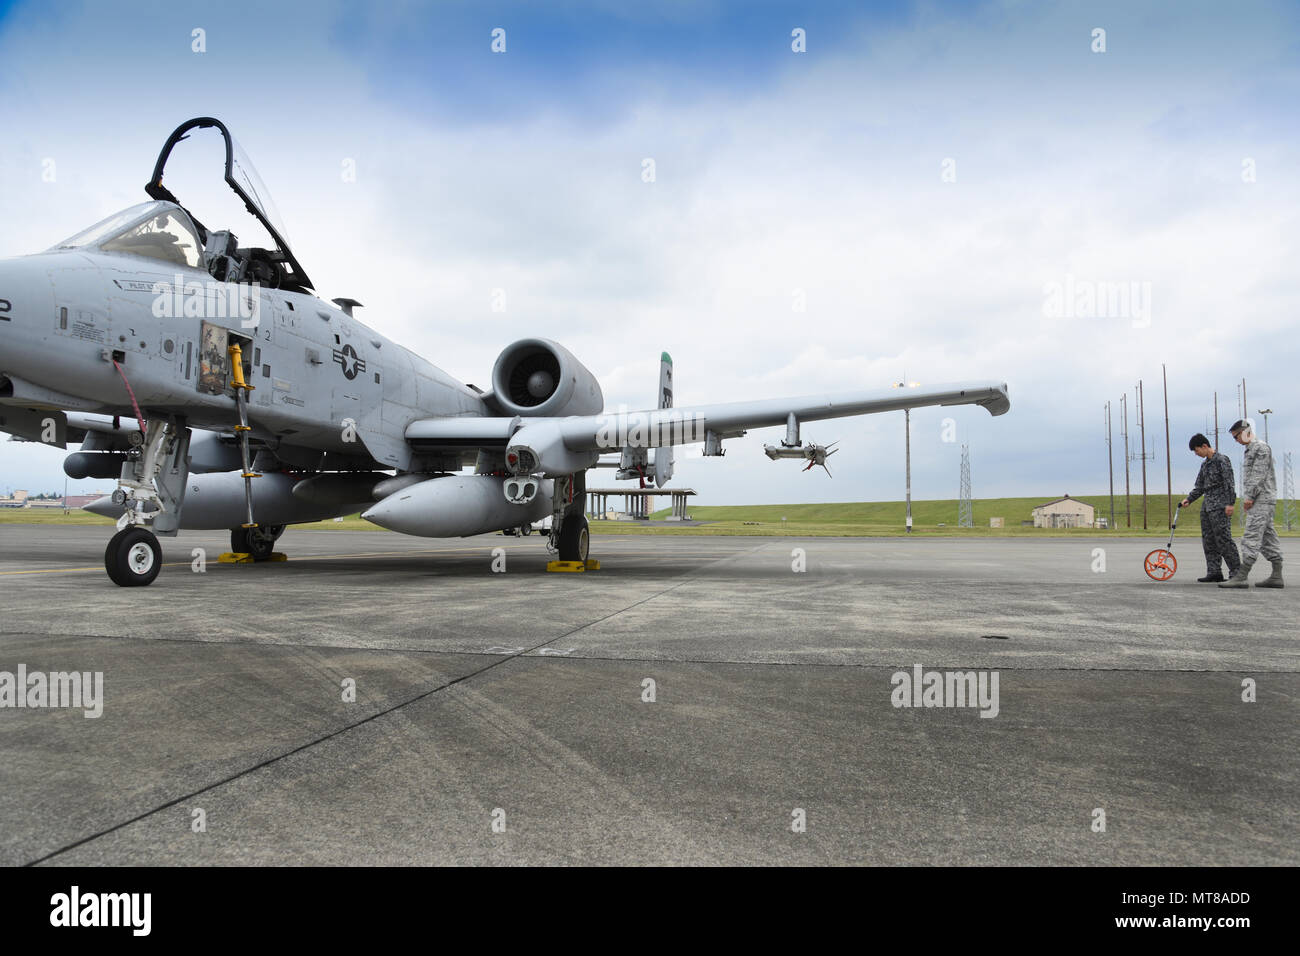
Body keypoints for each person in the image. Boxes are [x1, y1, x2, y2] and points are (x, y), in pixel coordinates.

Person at [1219, 419, 1283, 589]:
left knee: (1251, 536)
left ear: (1245, 432)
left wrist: (1250, 497)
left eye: (1236, 436)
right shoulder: (1250, 449)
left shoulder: (1260, 448)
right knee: (1268, 537)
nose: (1236, 440)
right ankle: (1277, 575)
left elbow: (1258, 475)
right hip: (1261, 499)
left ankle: (1242, 576)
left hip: (1261, 499)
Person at [1179, 433, 1239, 583]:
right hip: (1207, 507)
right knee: (1208, 540)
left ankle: (1236, 572)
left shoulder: (1222, 460)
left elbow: (1229, 483)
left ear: (1204, 446)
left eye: (1196, 450)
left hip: (1221, 506)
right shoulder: (1205, 465)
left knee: (1224, 539)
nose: (1196, 453)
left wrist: (1230, 503)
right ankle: (1214, 571)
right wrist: (1189, 499)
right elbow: (1200, 486)